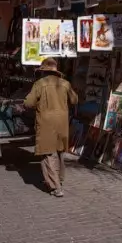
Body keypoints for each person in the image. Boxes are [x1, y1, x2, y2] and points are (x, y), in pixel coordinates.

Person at [24, 58, 77, 197]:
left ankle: (56, 187)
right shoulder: (65, 83)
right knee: (59, 152)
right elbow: (75, 100)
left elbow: (28, 103)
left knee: (48, 154)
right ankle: (59, 180)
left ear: (44, 71)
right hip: (62, 123)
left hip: (46, 123)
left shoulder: (39, 84)